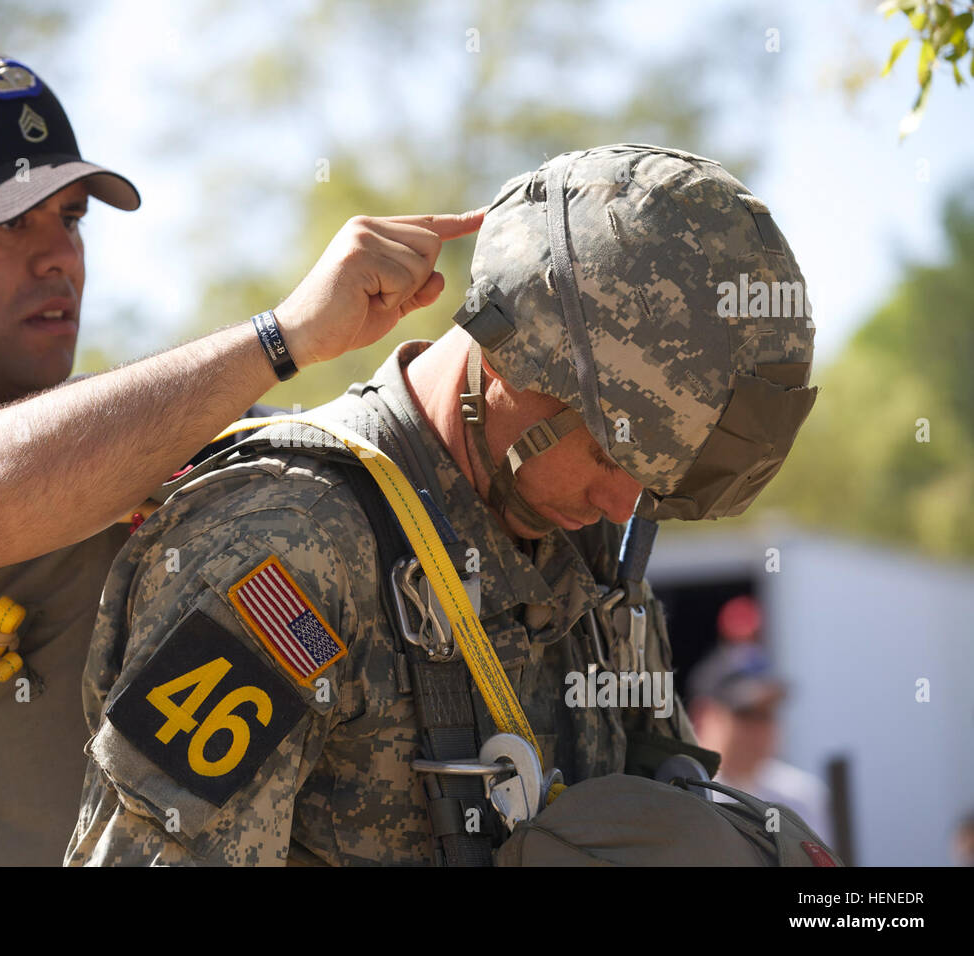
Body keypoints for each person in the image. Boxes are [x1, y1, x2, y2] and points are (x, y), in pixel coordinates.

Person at [0, 48, 481, 865]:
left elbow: (344, 473)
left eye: (70, 217)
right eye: (7, 219)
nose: (58, 255)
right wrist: (280, 339)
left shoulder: (126, 439)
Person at [66, 143, 820, 865]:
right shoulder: (288, 550)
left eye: (657, 478)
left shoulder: (587, 549)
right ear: (508, 360)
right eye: (608, 453)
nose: (623, 503)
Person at [688, 634, 833, 842]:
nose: (760, 729)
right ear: (704, 716)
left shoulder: (802, 797)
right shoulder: (682, 795)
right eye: (746, 714)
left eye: (767, 714)